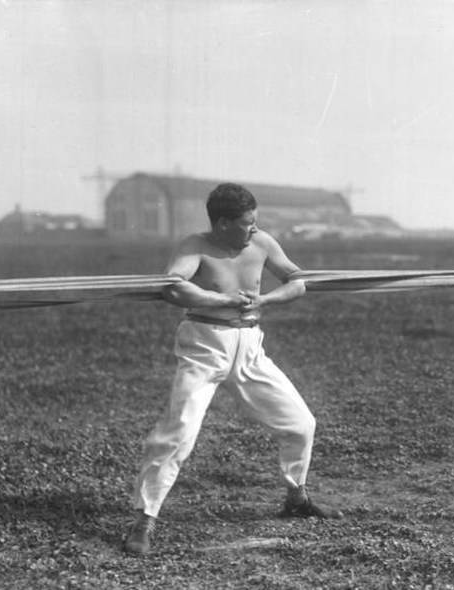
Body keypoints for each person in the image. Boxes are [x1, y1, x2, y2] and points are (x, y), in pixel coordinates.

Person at [124, 183, 341, 556]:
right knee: (178, 433)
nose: (253, 230)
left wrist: (266, 299)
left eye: (255, 223)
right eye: (246, 224)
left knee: (302, 423)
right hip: (205, 346)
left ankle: (296, 496)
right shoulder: (195, 246)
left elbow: (299, 281)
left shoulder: (262, 243)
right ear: (222, 223)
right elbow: (173, 288)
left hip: (250, 346)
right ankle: (145, 518)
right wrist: (223, 299)